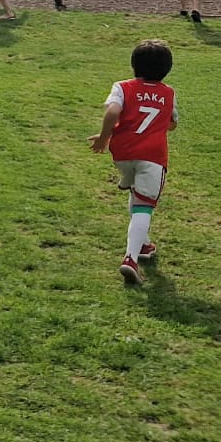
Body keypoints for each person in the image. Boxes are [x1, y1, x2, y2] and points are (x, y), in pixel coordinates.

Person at [88, 38, 177, 288]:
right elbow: (172, 124)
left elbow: (113, 111)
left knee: (136, 190)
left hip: (122, 153)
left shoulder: (122, 87)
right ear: (167, 69)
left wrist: (104, 137)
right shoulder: (169, 93)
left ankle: (144, 243)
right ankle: (131, 258)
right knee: (144, 207)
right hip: (152, 156)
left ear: (134, 65)